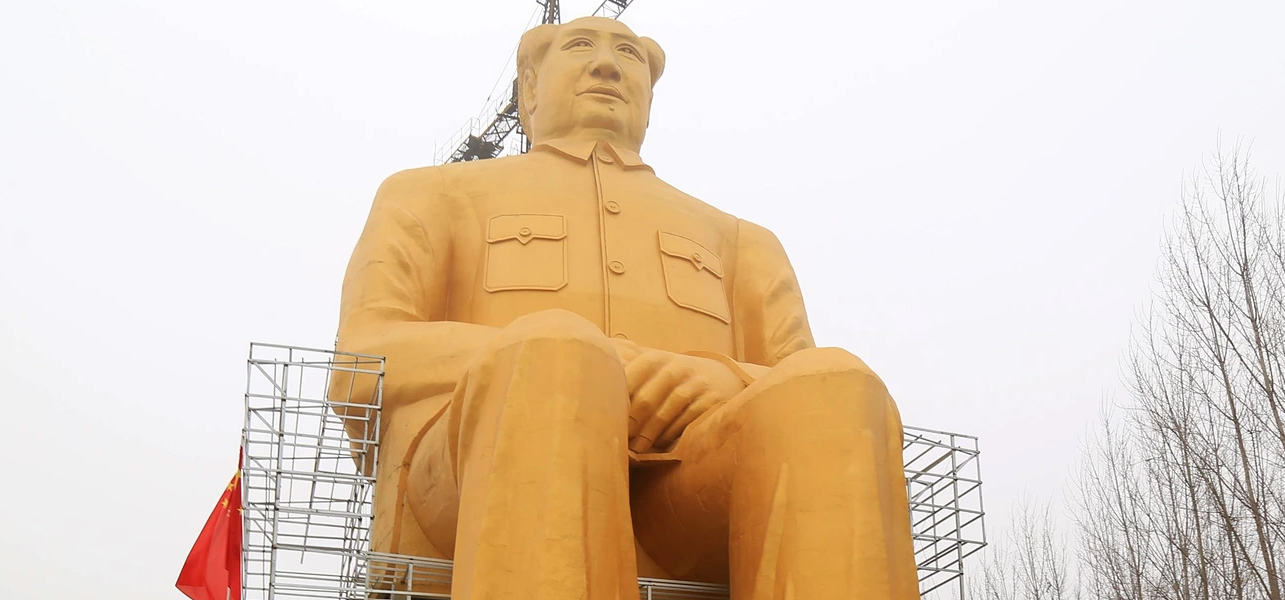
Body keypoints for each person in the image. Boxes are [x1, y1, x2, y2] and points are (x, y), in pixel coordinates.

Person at [331, 16, 917, 600]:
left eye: (630, 56)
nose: (608, 65)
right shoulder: (432, 194)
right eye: (580, 46)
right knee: (558, 354)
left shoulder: (741, 242)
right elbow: (364, 354)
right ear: (528, 88)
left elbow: (788, 374)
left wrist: (726, 377)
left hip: (682, 496)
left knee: (831, 388)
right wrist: (581, 359)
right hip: (469, 486)